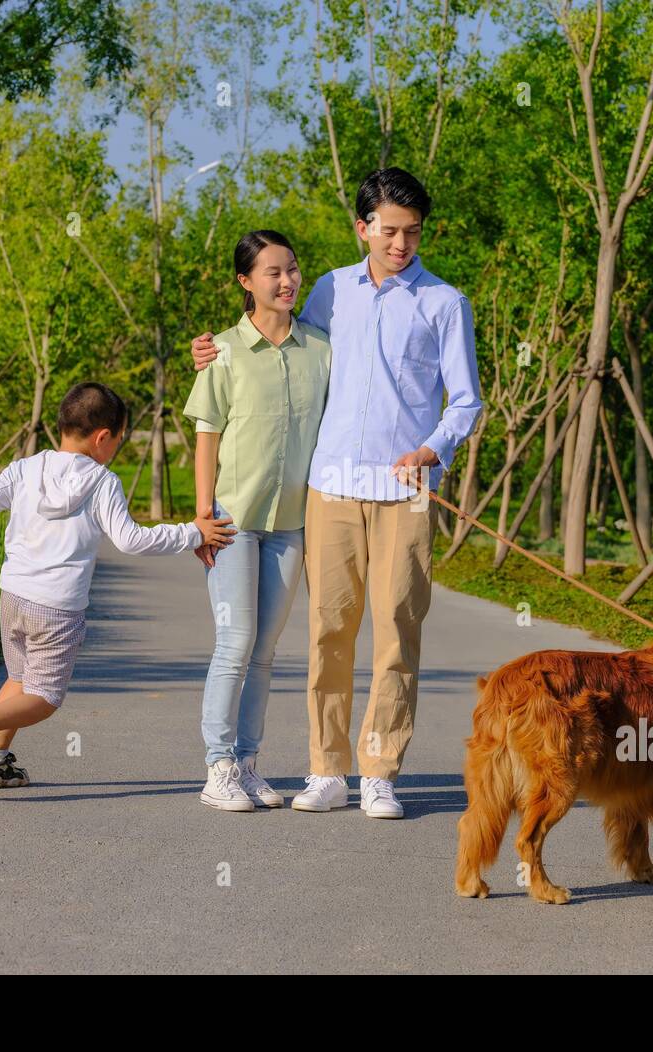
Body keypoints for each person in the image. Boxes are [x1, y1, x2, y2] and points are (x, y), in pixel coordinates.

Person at [191, 168, 483, 818]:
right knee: (329, 631)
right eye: (388, 230)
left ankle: (378, 769)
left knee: (397, 631)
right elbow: (280, 340)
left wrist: (434, 447)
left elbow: (465, 400)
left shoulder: (443, 303)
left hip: (404, 491)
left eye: (411, 232)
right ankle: (327, 768)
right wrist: (215, 350)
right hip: (331, 488)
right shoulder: (329, 291)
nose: (400, 243)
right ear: (363, 228)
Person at [0, 381, 235, 788]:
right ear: (103, 437)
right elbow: (132, 540)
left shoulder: (24, 469)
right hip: (57, 608)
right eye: (118, 439)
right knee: (44, 699)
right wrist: (193, 532)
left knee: (21, 679)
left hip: (13, 598)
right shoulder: (101, 482)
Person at [182, 230, 331, 811]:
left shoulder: (320, 349)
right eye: (272, 272)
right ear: (247, 282)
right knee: (235, 641)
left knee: (266, 648)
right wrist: (201, 515)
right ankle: (216, 766)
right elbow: (206, 434)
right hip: (232, 519)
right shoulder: (222, 351)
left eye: (292, 269)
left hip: (292, 522)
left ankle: (247, 763)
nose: (288, 280)